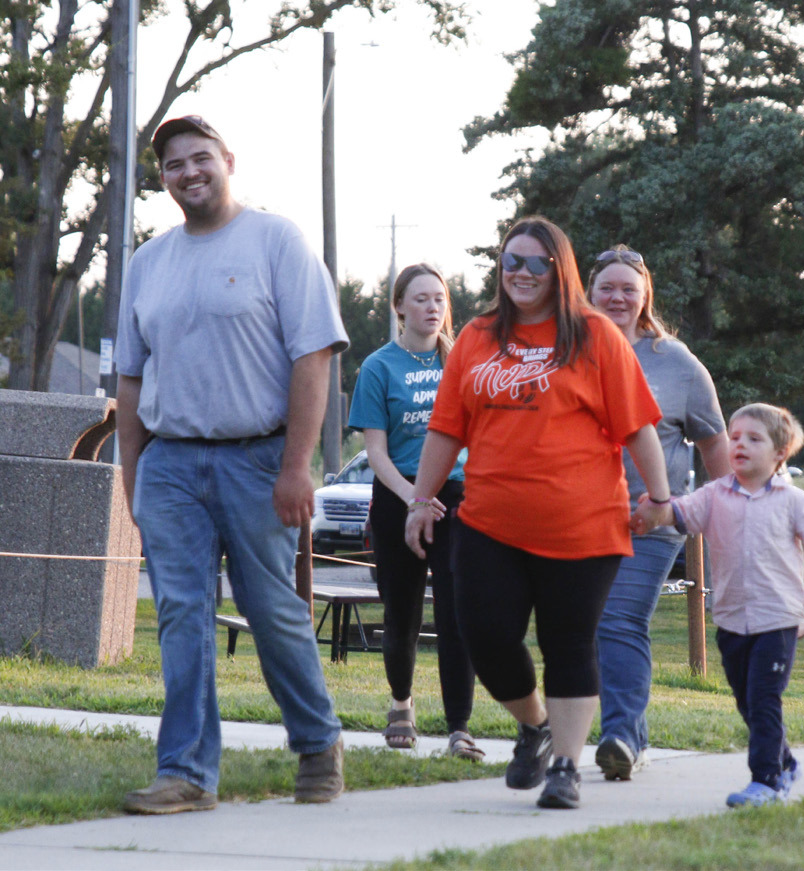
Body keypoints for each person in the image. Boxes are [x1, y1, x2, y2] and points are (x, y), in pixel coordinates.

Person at [115, 116, 345, 814]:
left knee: (269, 608)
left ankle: (318, 741)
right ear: (163, 179)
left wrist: (297, 466)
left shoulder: (277, 241)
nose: (188, 172)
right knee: (181, 613)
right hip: (170, 463)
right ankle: (186, 772)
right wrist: (134, 476)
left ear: (228, 161)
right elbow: (130, 378)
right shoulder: (147, 262)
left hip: (258, 459)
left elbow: (314, 357)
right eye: (173, 164)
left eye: (200, 158)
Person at [404, 216, 670, 810]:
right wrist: (421, 501)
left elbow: (638, 426)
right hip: (490, 523)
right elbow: (445, 429)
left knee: (569, 643)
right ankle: (535, 725)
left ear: (560, 269)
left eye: (535, 263)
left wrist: (659, 499)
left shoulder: (595, 335)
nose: (520, 273)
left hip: (583, 526)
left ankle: (566, 769)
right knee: (485, 636)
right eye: (510, 262)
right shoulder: (477, 336)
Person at [633, 403, 804, 808]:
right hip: (731, 619)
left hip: (778, 618)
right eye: (734, 437)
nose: (740, 444)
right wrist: (653, 513)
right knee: (747, 701)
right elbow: (677, 511)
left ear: (780, 453)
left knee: (764, 698)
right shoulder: (714, 495)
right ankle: (784, 762)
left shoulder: (792, 500)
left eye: (753, 438)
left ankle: (766, 782)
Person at [586, 245, 730, 780]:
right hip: (576, 517)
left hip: (648, 519)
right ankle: (631, 736)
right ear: (589, 293)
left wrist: (720, 518)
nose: (617, 297)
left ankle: (621, 736)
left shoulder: (677, 363)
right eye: (607, 288)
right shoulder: (567, 349)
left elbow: (715, 445)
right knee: (587, 628)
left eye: (629, 288)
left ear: (645, 295)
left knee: (619, 618)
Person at [347, 263, 482, 760]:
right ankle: (401, 703)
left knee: (456, 611)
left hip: (457, 498)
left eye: (439, 299)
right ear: (399, 306)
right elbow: (375, 453)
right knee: (401, 611)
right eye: (421, 299)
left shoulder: (462, 362)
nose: (432, 307)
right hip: (398, 496)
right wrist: (414, 498)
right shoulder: (378, 367)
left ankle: (459, 727)